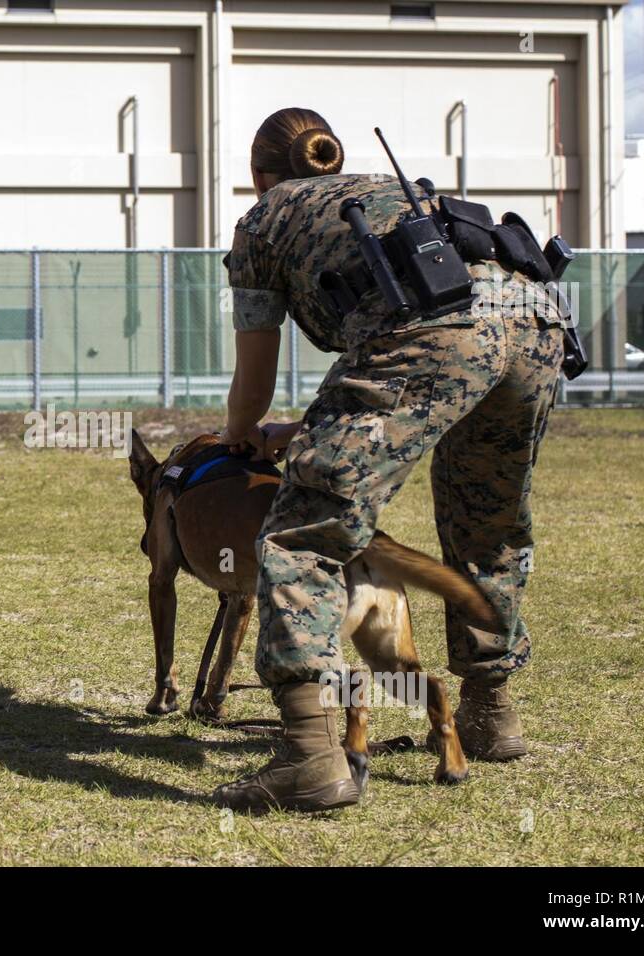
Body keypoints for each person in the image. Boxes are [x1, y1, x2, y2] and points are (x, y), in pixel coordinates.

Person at [211, 108, 565, 813]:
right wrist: (305, 428)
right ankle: (490, 714)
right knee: (486, 520)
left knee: (305, 532)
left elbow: (258, 374)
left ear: (258, 176)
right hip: (536, 322)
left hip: (434, 332)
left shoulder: (266, 217)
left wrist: (242, 430)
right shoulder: (386, 193)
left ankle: (309, 757)